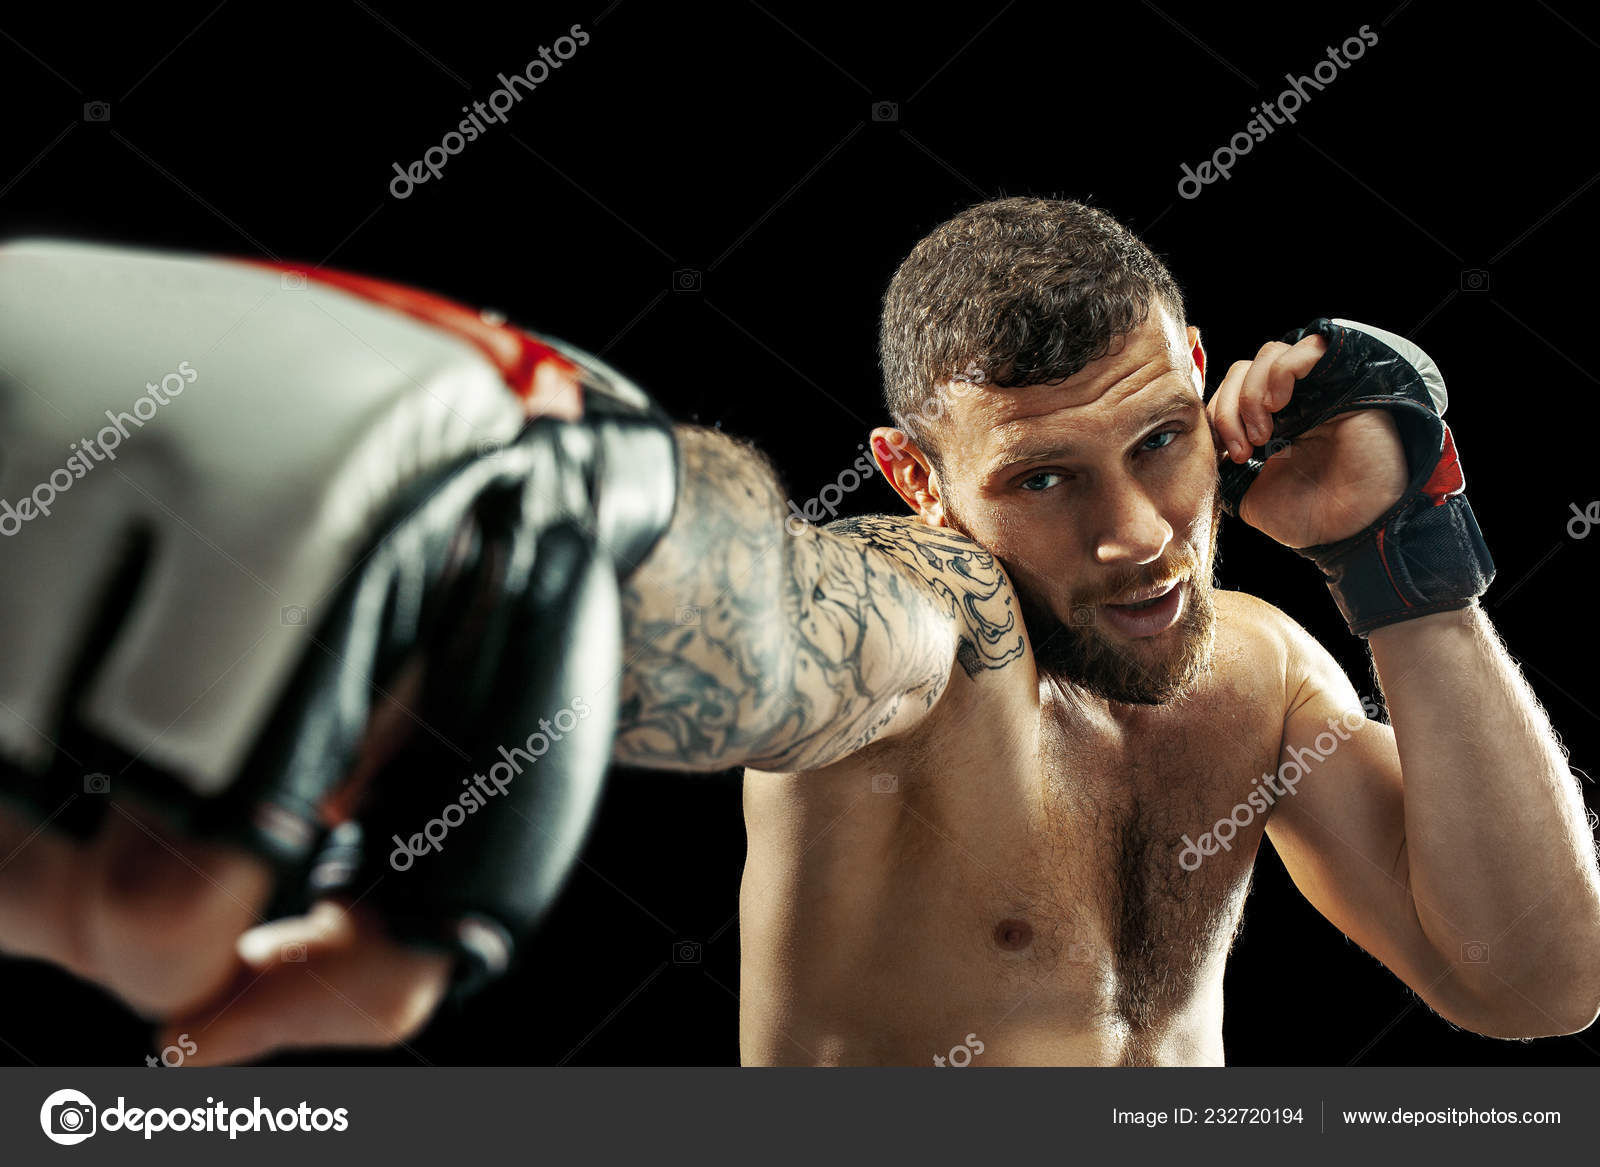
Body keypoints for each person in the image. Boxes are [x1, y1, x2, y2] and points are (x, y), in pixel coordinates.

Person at [2, 199, 1597, 1066]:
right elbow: (774, 623)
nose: (1129, 534)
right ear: (917, 479)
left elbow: (1537, 983)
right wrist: (563, 513)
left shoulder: (1257, 671)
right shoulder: (939, 629)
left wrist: (1405, 565)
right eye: (1042, 478)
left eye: (1163, 442)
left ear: (1198, 375)